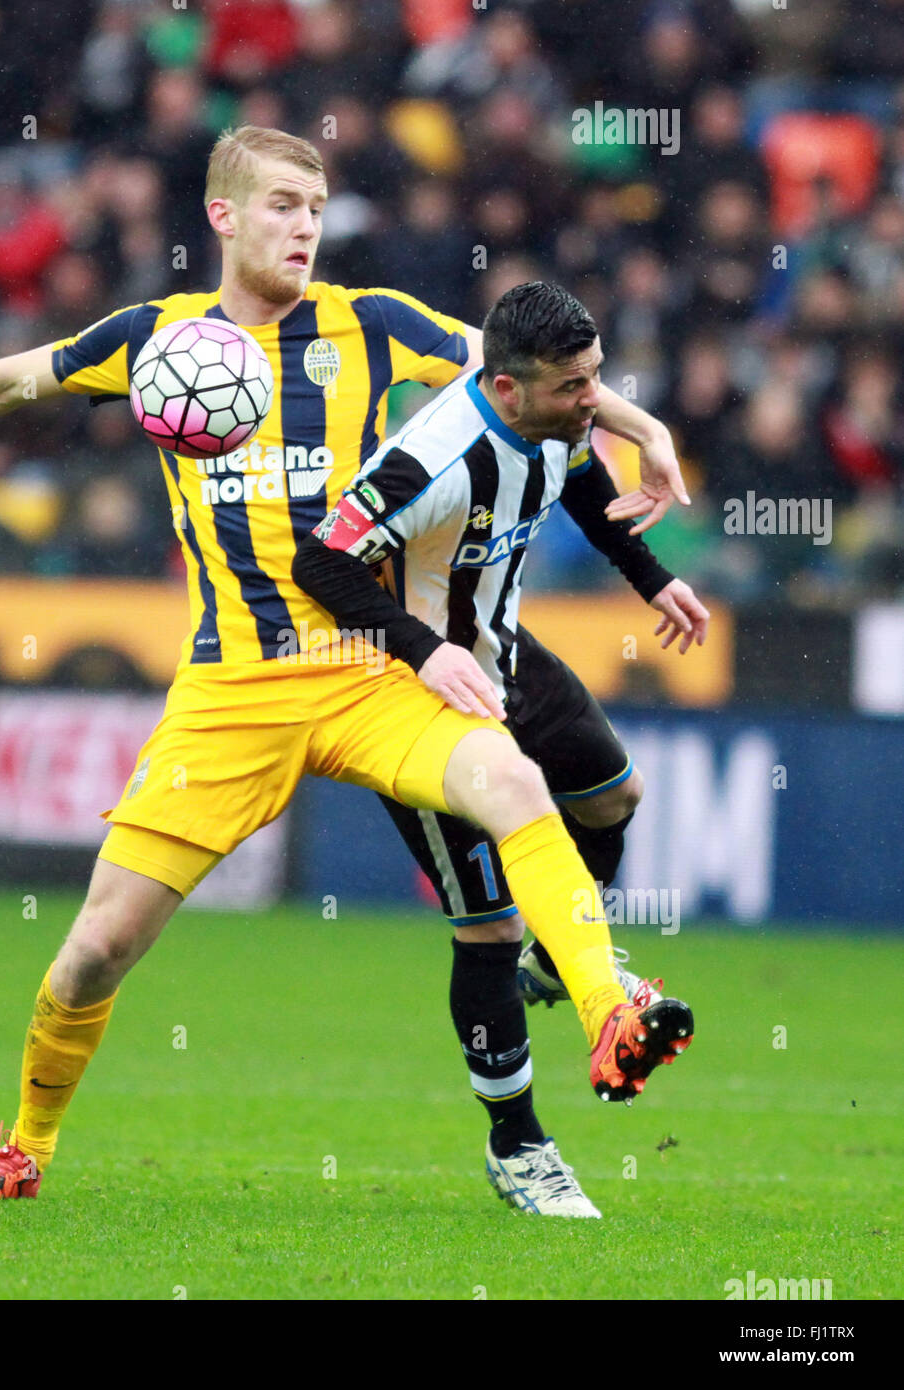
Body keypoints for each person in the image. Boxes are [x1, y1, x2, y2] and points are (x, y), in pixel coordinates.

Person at [0, 127, 692, 1210]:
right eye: (280, 205)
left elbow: (526, 372)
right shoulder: (156, 338)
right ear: (223, 216)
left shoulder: (370, 324)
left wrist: (640, 424)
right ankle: (24, 1147)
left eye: (314, 207)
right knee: (95, 950)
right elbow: (16, 383)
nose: (303, 226)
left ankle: (607, 1008)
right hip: (232, 687)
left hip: (371, 661)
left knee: (511, 786)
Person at [294, 280, 709, 1215]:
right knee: (487, 927)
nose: (593, 399)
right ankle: (518, 1146)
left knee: (615, 800)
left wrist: (651, 578)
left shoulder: (553, 422)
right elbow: (317, 560)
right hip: (422, 699)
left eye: (598, 376)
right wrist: (424, 649)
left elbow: (576, 471)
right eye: (575, 387)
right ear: (510, 390)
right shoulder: (431, 460)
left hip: (509, 659)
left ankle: (565, 972)